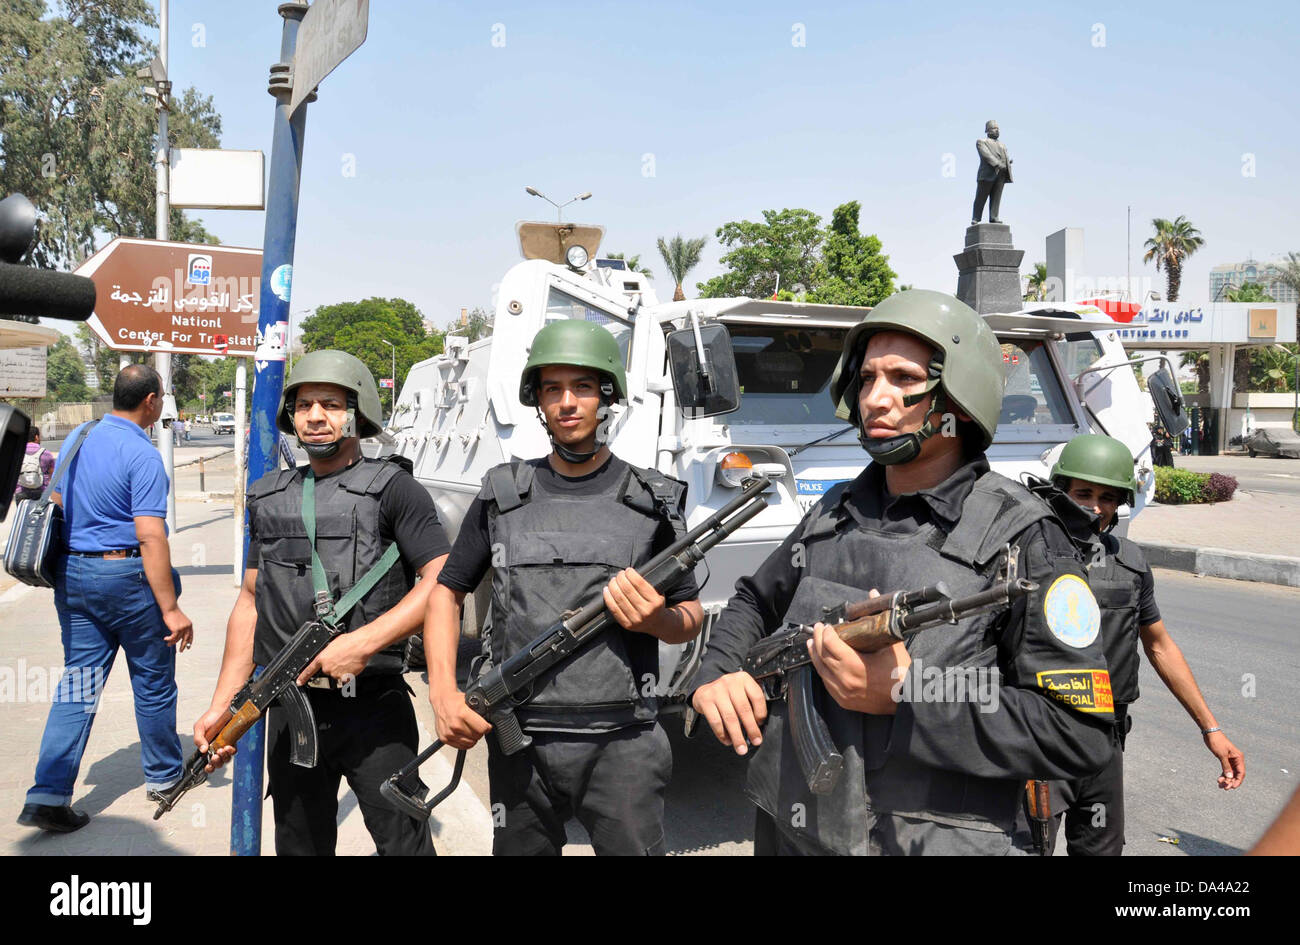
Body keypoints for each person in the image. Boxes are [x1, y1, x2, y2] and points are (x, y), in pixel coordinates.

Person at [690, 289, 1115, 856]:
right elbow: (753, 601)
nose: (875, 399)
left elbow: (1076, 731)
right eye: (866, 379)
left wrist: (910, 694)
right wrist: (716, 672)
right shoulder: (834, 511)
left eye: (902, 378)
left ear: (959, 401)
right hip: (796, 831)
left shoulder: (1025, 537)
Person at [427, 320, 704, 856]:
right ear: (538, 401)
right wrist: (443, 692)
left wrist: (655, 620)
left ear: (607, 398)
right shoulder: (503, 494)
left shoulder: (651, 500)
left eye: (582, 388)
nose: (567, 403)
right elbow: (447, 590)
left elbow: (688, 616)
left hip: (624, 742)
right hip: (520, 738)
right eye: (552, 389)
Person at [193, 351, 448, 856]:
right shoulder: (268, 496)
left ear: (358, 413)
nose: (314, 416)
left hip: (373, 709)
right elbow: (250, 601)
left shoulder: (395, 489)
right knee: (298, 844)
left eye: (330, 404)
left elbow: (441, 582)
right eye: (304, 404)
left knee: (404, 844)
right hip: (291, 708)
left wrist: (364, 642)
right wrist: (223, 703)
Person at [1025, 433, 1244, 855]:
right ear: (1059, 492)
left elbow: (1159, 646)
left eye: (1107, 497)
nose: (1094, 505)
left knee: (1102, 850)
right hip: (1039, 738)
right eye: (1082, 492)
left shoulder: (1129, 563)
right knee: (1026, 847)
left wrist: (1211, 729)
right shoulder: (1026, 556)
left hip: (1104, 741)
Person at [18, 365, 193, 833]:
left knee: (78, 683)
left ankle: (48, 794)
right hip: (129, 576)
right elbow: (151, 537)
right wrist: (171, 609)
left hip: (73, 572)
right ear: (152, 402)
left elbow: (56, 501)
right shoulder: (143, 455)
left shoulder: (81, 433)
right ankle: (165, 776)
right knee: (153, 683)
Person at [972, 120, 1013, 224]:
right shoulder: (981, 142)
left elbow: (1004, 157)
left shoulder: (1002, 144)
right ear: (988, 131)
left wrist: (1008, 162)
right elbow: (986, 155)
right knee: (981, 198)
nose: (997, 131)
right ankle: (976, 217)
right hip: (987, 174)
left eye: (998, 129)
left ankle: (994, 216)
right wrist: (998, 164)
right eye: (995, 129)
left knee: (996, 197)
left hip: (1001, 175)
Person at [14, 424, 56, 499]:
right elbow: (53, 475)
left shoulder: (17, 453)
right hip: (41, 492)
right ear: (36, 437)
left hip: (21, 492)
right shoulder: (46, 453)